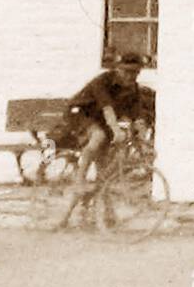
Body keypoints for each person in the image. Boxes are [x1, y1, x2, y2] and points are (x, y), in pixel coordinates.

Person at [57, 52, 154, 226]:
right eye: (126, 72)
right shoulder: (102, 82)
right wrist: (116, 130)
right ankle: (80, 180)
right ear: (117, 69)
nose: (131, 76)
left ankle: (103, 215)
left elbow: (138, 117)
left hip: (102, 122)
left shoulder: (133, 89)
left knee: (105, 174)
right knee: (99, 136)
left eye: (135, 73)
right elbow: (108, 110)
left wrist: (143, 140)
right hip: (80, 115)